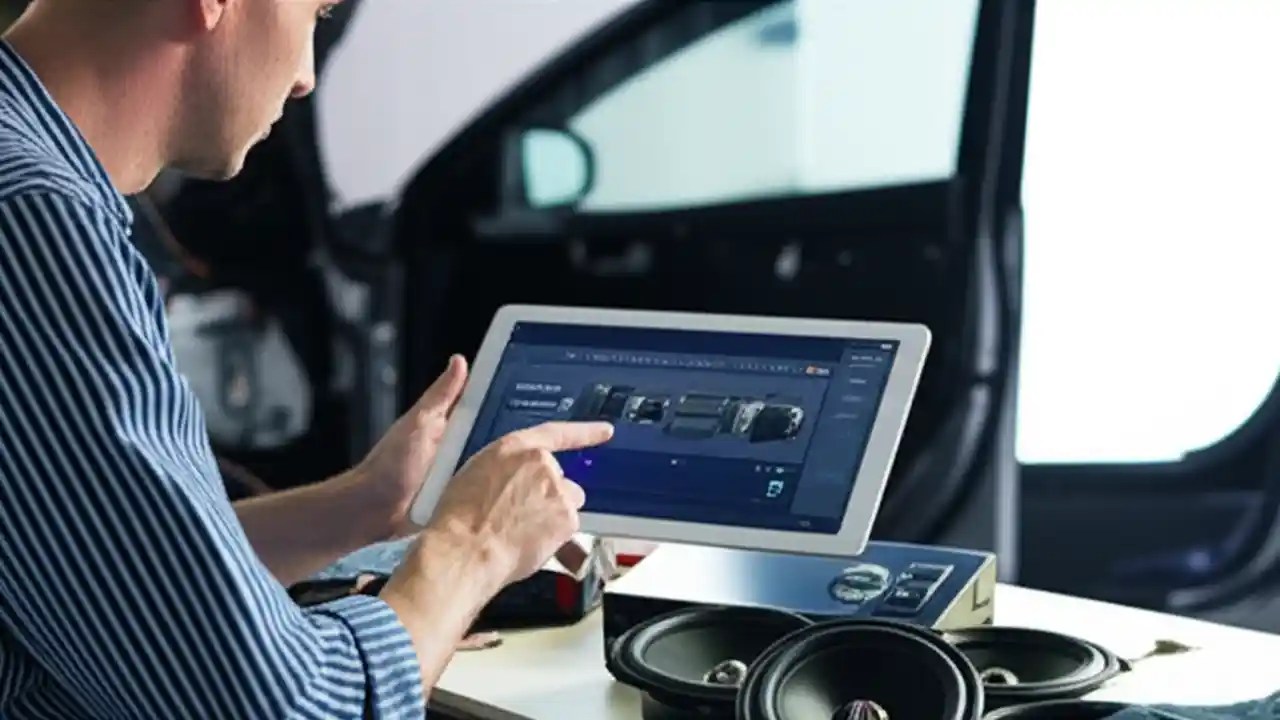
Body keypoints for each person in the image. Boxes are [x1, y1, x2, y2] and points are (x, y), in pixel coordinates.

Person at [0, 1, 614, 718]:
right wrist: (473, 549)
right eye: (315, 13)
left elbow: (114, 578)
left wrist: (363, 505)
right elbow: (276, 708)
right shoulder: (36, 225)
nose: (305, 78)